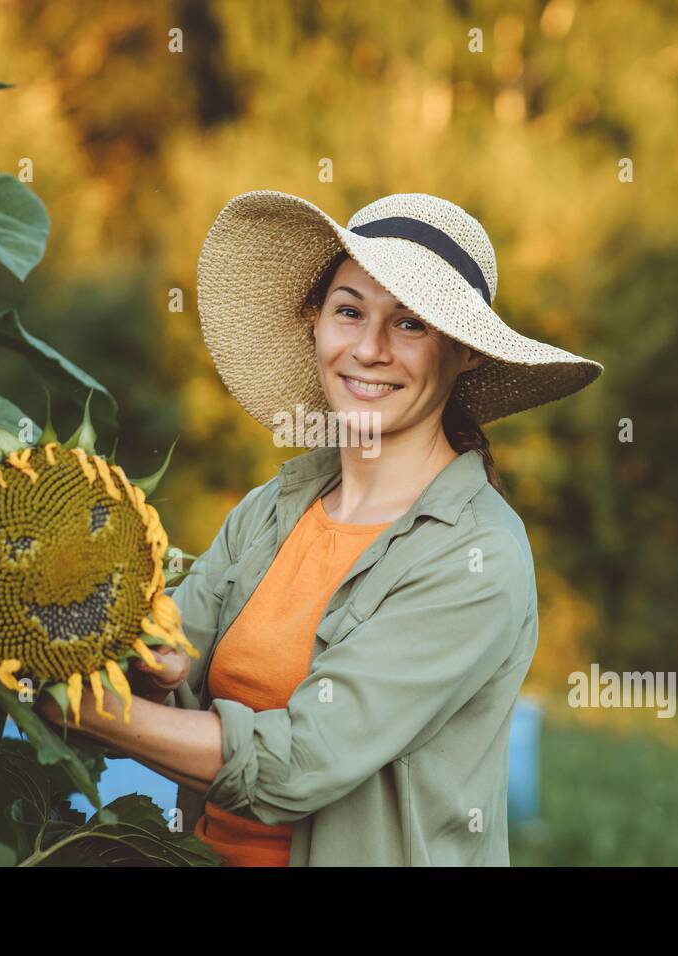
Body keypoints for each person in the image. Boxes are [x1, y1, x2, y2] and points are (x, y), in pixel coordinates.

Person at [37, 190, 602, 865]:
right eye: (349, 311)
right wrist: (151, 670)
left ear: (467, 352)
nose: (369, 348)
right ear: (316, 324)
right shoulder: (270, 511)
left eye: (411, 324)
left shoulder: (476, 555)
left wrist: (79, 707)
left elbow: (298, 764)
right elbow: (169, 680)